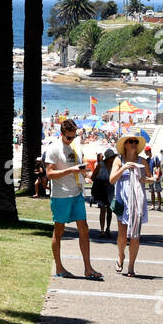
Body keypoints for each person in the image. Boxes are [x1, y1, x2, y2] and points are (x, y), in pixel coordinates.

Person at [45, 118, 104, 280]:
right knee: (59, 230)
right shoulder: (54, 149)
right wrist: (70, 170)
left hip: (77, 193)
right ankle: (59, 267)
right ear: (62, 134)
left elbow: (80, 168)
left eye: (74, 137)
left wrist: (86, 174)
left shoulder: (75, 147)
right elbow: (49, 174)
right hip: (60, 196)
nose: (71, 140)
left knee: (84, 229)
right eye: (69, 137)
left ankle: (88, 268)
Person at [110, 131, 150, 277]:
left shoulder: (142, 162)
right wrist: (124, 167)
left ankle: (131, 266)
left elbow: (149, 178)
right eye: (130, 141)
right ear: (125, 145)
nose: (133, 144)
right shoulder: (118, 160)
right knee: (122, 236)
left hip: (137, 203)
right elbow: (112, 179)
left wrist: (145, 179)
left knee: (135, 236)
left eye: (135, 142)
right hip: (122, 201)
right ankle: (121, 255)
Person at [91, 148, 116, 237]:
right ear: (108, 158)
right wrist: (101, 181)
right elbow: (93, 177)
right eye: (112, 157)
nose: (113, 159)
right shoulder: (100, 165)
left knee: (110, 210)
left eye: (114, 157)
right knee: (102, 209)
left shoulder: (115, 166)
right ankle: (102, 230)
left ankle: (108, 229)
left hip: (110, 190)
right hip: (101, 190)